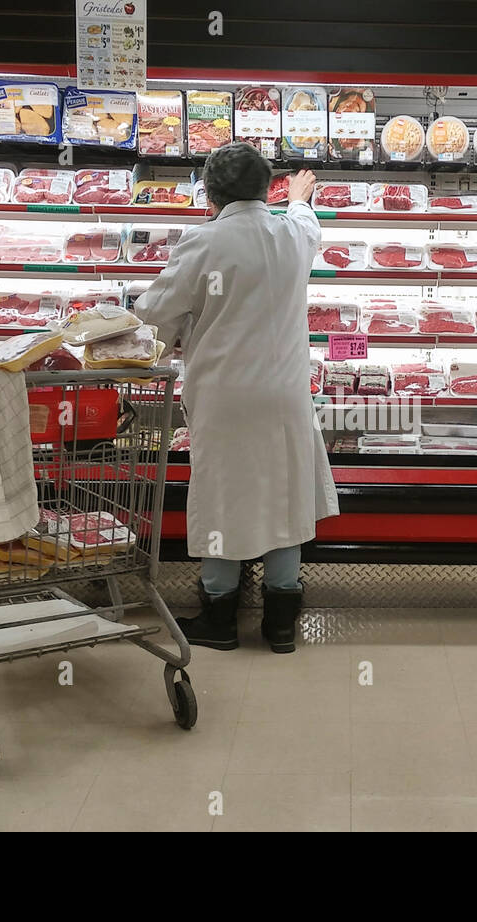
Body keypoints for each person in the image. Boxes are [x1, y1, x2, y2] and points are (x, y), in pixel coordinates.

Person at [136, 144, 338, 654]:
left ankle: (220, 618)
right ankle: (281, 625)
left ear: (209, 193)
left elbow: (155, 314)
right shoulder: (292, 233)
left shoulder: (203, 241)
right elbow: (305, 219)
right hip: (286, 393)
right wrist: (297, 196)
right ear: (264, 188)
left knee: (225, 497)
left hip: (226, 396)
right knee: (286, 500)